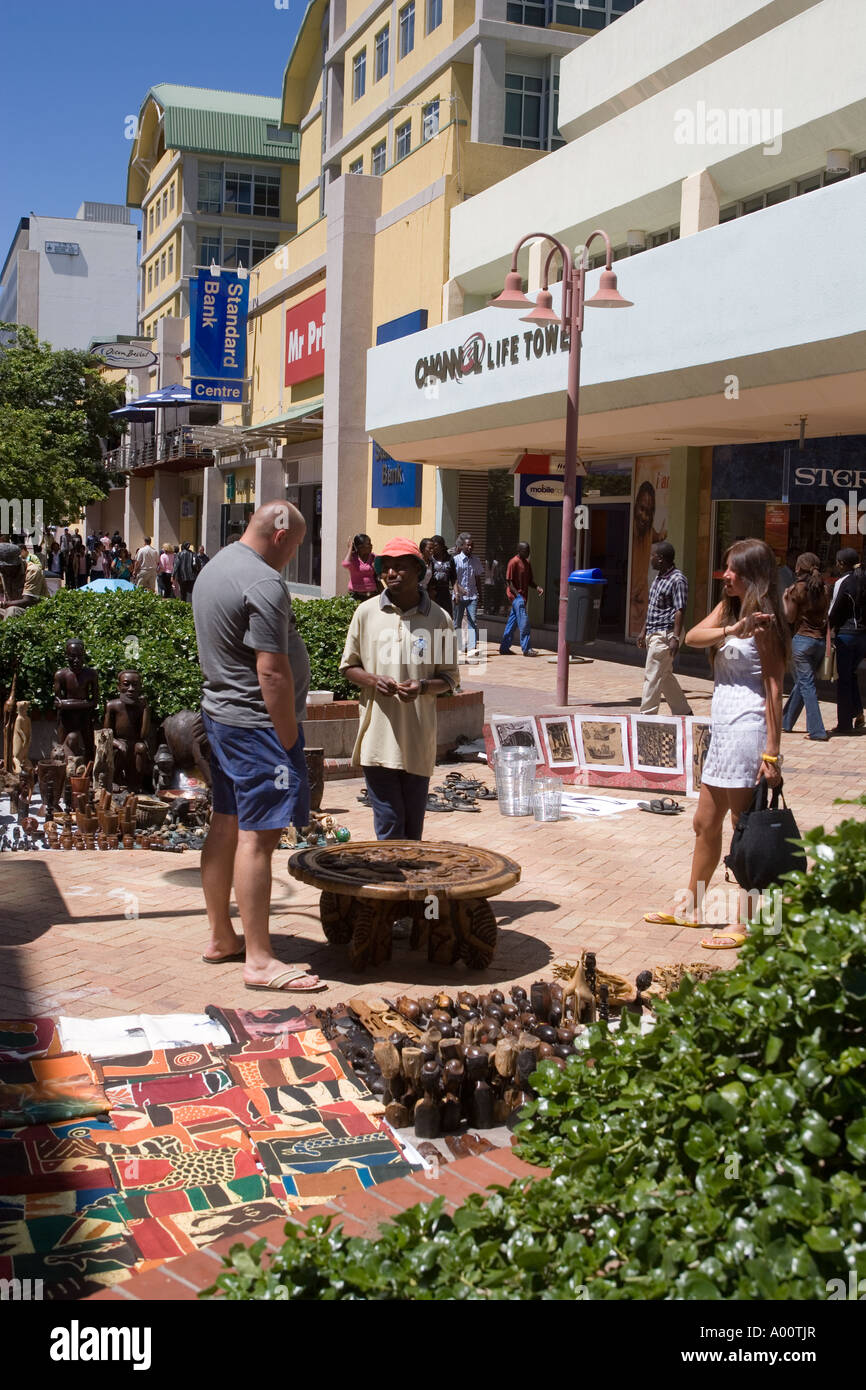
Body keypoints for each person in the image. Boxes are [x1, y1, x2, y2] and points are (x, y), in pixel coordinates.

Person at [192, 500, 323, 993]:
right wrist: (288, 739)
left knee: (225, 824)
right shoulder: (264, 582)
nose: (293, 556)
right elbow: (271, 671)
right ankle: (261, 960)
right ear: (282, 536)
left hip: (221, 718)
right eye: (296, 546)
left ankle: (223, 937)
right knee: (259, 837)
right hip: (255, 728)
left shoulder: (215, 566)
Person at [644, 538, 788, 952]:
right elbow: (691, 637)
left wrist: (772, 753)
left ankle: (747, 922)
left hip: (749, 729)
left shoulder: (767, 619)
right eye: (725, 568)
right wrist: (731, 628)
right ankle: (690, 907)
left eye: (732, 570)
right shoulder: (730, 609)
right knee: (704, 824)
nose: (725, 575)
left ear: (753, 575)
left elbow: (775, 687)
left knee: (746, 832)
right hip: (722, 728)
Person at [340, 537, 459, 840]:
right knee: (390, 823)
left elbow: (449, 678)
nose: (391, 573)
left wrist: (421, 687)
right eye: (386, 567)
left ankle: (410, 885)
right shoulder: (365, 613)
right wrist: (373, 680)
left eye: (400, 567)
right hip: (377, 739)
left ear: (419, 571)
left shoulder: (439, 619)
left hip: (418, 740)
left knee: (412, 828)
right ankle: (391, 881)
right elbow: (348, 666)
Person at [637, 541, 692, 714]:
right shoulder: (659, 578)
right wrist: (643, 631)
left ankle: (646, 718)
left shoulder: (678, 579)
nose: (650, 559)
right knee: (664, 675)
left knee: (652, 675)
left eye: (652, 556)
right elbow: (653, 607)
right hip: (654, 632)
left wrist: (675, 637)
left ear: (660, 559)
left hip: (666, 634)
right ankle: (684, 712)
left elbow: (680, 609)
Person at [781, 552, 830, 741]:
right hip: (819, 642)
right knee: (803, 683)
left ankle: (817, 730)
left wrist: (786, 599)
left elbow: (790, 618)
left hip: (802, 641)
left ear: (799, 568)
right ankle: (786, 720)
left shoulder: (797, 589)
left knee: (806, 685)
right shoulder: (825, 589)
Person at [827, 552, 866, 737]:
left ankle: (844, 723)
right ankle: (858, 712)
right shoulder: (863, 579)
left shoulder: (843, 582)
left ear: (841, 564)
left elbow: (834, 610)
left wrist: (827, 629)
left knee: (843, 679)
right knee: (850, 675)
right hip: (862, 637)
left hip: (847, 635)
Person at [499, 541, 544, 657]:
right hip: (516, 597)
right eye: (526, 551)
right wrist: (517, 596)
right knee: (524, 623)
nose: (528, 553)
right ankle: (527, 649)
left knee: (512, 623)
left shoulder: (527, 563)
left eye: (529, 551)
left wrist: (537, 587)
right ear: (519, 551)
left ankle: (504, 648)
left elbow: (529, 581)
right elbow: (509, 582)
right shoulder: (513, 562)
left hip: (523, 597)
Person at [453, 533, 484, 656]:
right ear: (462, 546)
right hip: (458, 597)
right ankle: (459, 647)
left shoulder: (476, 560)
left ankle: (471, 647)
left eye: (472, 545)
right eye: (467, 545)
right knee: (457, 622)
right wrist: (458, 590)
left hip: (472, 596)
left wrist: (480, 594)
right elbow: (453, 579)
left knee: (473, 621)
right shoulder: (455, 560)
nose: (470, 548)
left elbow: (478, 579)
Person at [342, 533, 380, 600]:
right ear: (360, 547)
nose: (371, 546)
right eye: (368, 544)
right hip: (355, 595)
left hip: (372, 595)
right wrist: (350, 548)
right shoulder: (353, 558)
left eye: (371, 544)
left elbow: (382, 570)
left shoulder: (373, 557)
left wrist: (377, 567)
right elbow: (345, 564)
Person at [428, 535, 456, 616]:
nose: (433, 548)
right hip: (433, 591)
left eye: (436, 545)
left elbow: (454, 577)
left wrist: (456, 592)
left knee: (447, 615)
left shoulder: (449, 559)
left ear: (442, 546)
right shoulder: (430, 559)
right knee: (434, 616)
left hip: (445, 591)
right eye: (432, 546)